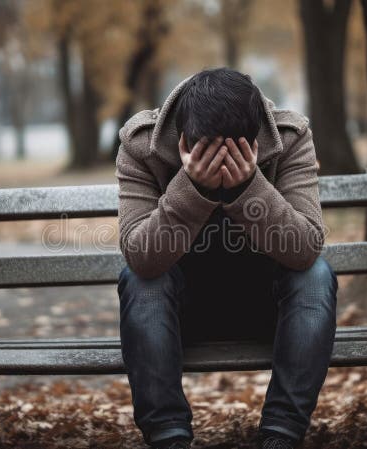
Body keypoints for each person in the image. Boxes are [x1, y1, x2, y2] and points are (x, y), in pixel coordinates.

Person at [116, 67, 338, 449]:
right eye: (207, 148)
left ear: (254, 136)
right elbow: (141, 257)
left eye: (232, 149)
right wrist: (191, 188)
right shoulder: (142, 145)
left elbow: (305, 249)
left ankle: (281, 434)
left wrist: (249, 187)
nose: (220, 161)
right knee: (139, 282)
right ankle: (168, 436)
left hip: (265, 309)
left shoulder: (289, 136)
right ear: (184, 135)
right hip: (181, 316)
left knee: (316, 276)